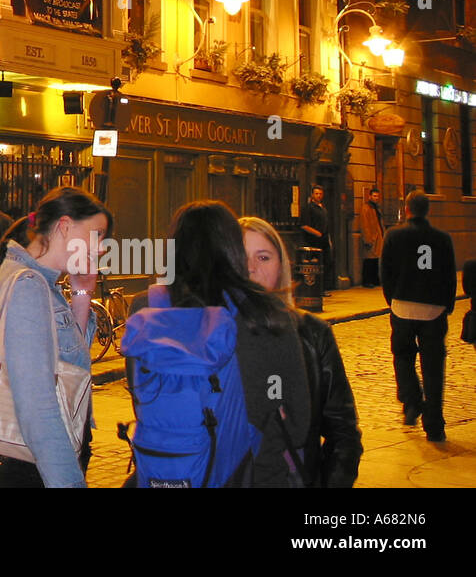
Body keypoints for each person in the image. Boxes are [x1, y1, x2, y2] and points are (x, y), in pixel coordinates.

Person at [134, 201, 310, 487]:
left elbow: (142, 396)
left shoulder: (147, 307)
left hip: (166, 468)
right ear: (233, 248)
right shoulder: (263, 313)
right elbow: (297, 418)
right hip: (249, 473)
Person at [0, 187, 110, 487]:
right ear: (65, 226)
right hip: (40, 467)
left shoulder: (41, 283)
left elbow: (72, 369)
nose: (102, 248)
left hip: (43, 461)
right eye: (96, 235)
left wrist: (82, 292)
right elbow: (38, 407)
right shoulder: (28, 287)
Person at [240, 216, 363, 487]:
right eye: (241, 257)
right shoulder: (209, 338)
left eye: (263, 258)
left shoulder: (312, 334)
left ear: (281, 265)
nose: (250, 268)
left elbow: (343, 431)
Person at [381, 191, 456, 442]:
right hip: (433, 309)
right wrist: (447, 304)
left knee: (402, 355)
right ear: (428, 210)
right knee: (433, 365)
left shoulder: (394, 235)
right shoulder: (442, 238)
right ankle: (434, 424)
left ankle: (411, 400)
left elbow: (386, 272)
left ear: (407, 209)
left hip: (402, 305)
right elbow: (449, 274)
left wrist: (392, 299)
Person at [299, 184, 334, 294]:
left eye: (320, 194)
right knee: (315, 265)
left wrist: (327, 238)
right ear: (312, 195)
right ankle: (314, 289)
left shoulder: (323, 208)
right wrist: (317, 233)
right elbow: (304, 225)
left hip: (324, 240)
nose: (318, 196)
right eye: (316, 193)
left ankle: (323, 288)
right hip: (313, 241)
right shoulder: (308, 208)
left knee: (326, 263)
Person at [361, 187, 385, 287]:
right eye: (374, 196)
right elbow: (364, 224)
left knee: (375, 259)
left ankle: (374, 279)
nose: (376, 198)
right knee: (369, 260)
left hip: (377, 236)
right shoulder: (366, 208)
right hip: (371, 237)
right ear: (370, 196)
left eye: (377, 196)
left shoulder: (376, 208)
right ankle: (367, 281)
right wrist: (367, 238)